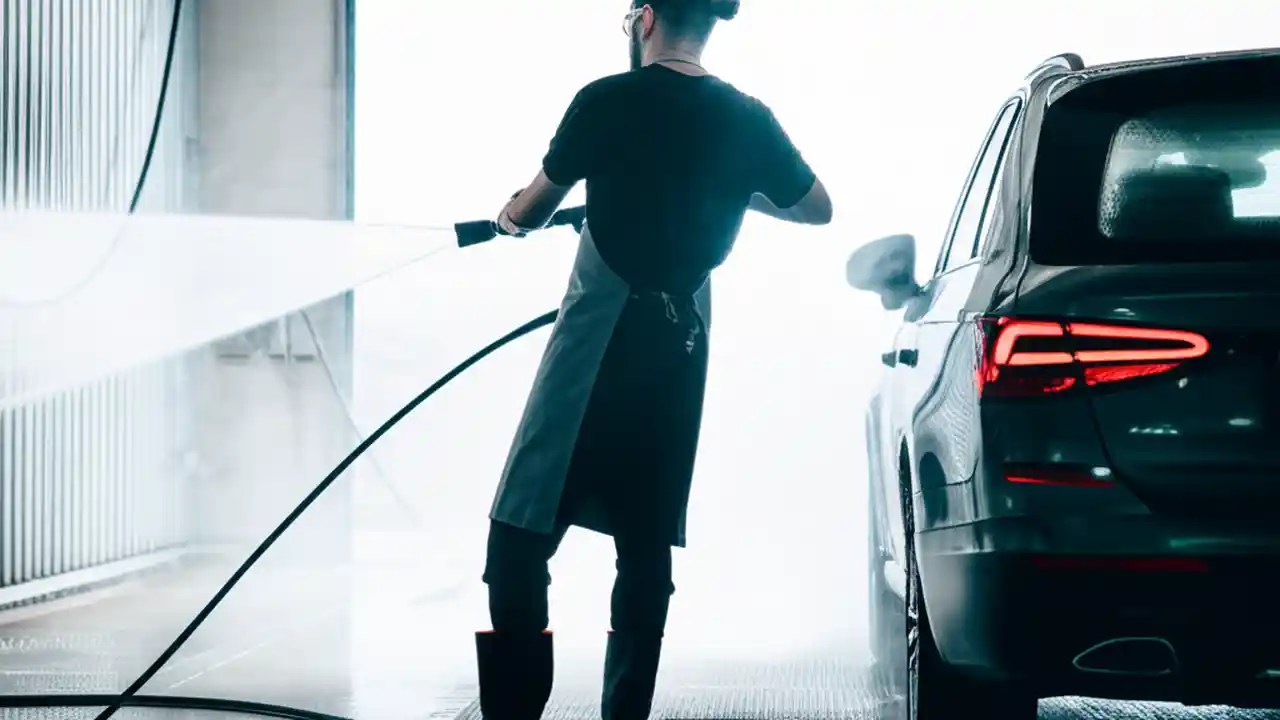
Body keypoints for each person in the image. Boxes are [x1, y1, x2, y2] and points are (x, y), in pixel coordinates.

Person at [475, 1, 833, 717]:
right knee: (643, 549)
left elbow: (534, 207)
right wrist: (725, 187)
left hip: (592, 358)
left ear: (643, 21)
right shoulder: (747, 117)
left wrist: (506, 217)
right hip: (676, 360)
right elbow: (815, 207)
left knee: (518, 538)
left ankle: (514, 709)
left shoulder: (606, 100)